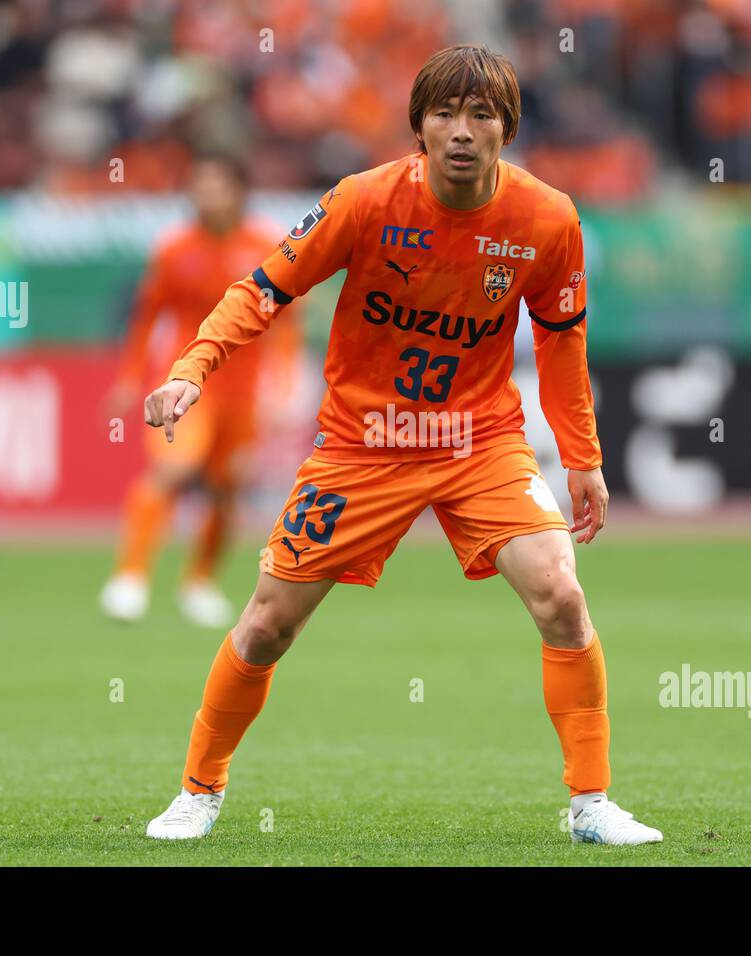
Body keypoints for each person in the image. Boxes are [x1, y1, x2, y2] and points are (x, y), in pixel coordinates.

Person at [141, 45, 662, 846]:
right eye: (445, 114)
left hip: (479, 441)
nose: (461, 131)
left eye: (480, 115)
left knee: (561, 593)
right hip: (362, 446)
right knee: (268, 623)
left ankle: (591, 802)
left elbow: (562, 341)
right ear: (418, 126)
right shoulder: (363, 200)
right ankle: (198, 791)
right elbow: (265, 289)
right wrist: (192, 369)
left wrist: (582, 456)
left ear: (507, 129)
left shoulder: (547, 219)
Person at [100, 155, 300, 628]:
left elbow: (285, 321)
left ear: (239, 191)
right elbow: (147, 315)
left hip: (245, 388)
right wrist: (131, 377)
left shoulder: (265, 245)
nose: (207, 195)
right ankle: (129, 577)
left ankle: (199, 582)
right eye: (200, 185)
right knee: (173, 468)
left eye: (217, 185)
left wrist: (284, 382)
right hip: (189, 383)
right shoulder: (174, 249)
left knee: (226, 487)